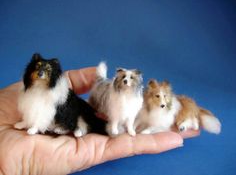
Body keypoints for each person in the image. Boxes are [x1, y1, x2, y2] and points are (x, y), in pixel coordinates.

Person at [0, 67, 199, 175]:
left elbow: (130, 116)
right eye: (124, 79)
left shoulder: (138, 99)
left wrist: (129, 126)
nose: (127, 82)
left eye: (130, 80)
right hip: (77, 117)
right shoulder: (111, 94)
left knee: (121, 121)